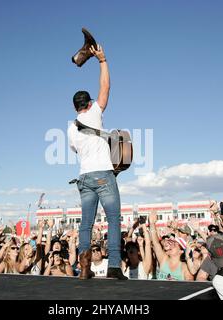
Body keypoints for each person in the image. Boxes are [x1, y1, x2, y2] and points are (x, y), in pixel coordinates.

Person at [67, 43, 126, 280]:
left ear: (75, 107)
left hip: (84, 178)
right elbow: (106, 86)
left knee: (86, 225)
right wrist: (102, 60)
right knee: (113, 220)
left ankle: (84, 265)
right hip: (103, 175)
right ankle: (113, 266)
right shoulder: (94, 113)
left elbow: (76, 150)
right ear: (89, 104)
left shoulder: (71, 128)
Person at [148, 212, 194, 281]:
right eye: (171, 243)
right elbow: (156, 243)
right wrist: (152, 224)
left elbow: (190, 287)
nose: (171, 245)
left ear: (181, 251)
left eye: (175, 244)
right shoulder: (163, 259)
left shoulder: (185, 268)